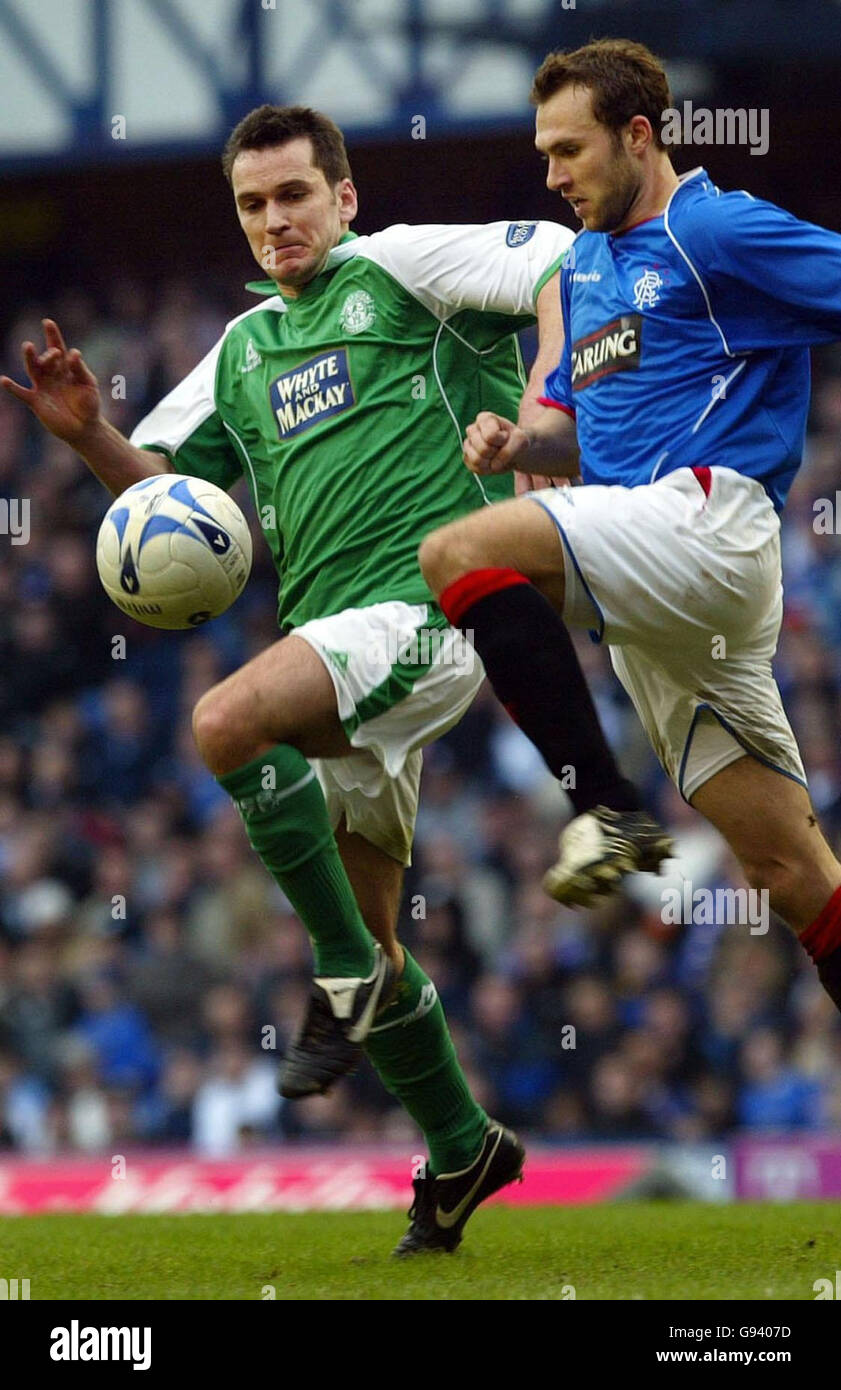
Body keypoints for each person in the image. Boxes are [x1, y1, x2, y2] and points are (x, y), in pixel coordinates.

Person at [3, 104, 663, 1254]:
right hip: (341, 656)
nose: (275, 221)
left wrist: (546, 403)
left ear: (342, 197)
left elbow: (566, 256)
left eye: (294, 195)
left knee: (221, 724)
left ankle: (340, 973)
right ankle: (464, 1148)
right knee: (381, 941)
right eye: (253, 204)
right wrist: (87, 439)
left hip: (431, 611)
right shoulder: (243, 352)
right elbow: (169, 497)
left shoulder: (401, 266)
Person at [419, 37, 841, 1028]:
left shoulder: (717, 231)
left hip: (709, 524)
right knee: (789, 871)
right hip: (657, 591)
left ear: (638, 135)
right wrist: (517, 437)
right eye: (544, 155)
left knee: (453, 552)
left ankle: (602, 809)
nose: (553, 176)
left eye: (570, 152)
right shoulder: (587, 270)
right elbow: (584, 436)